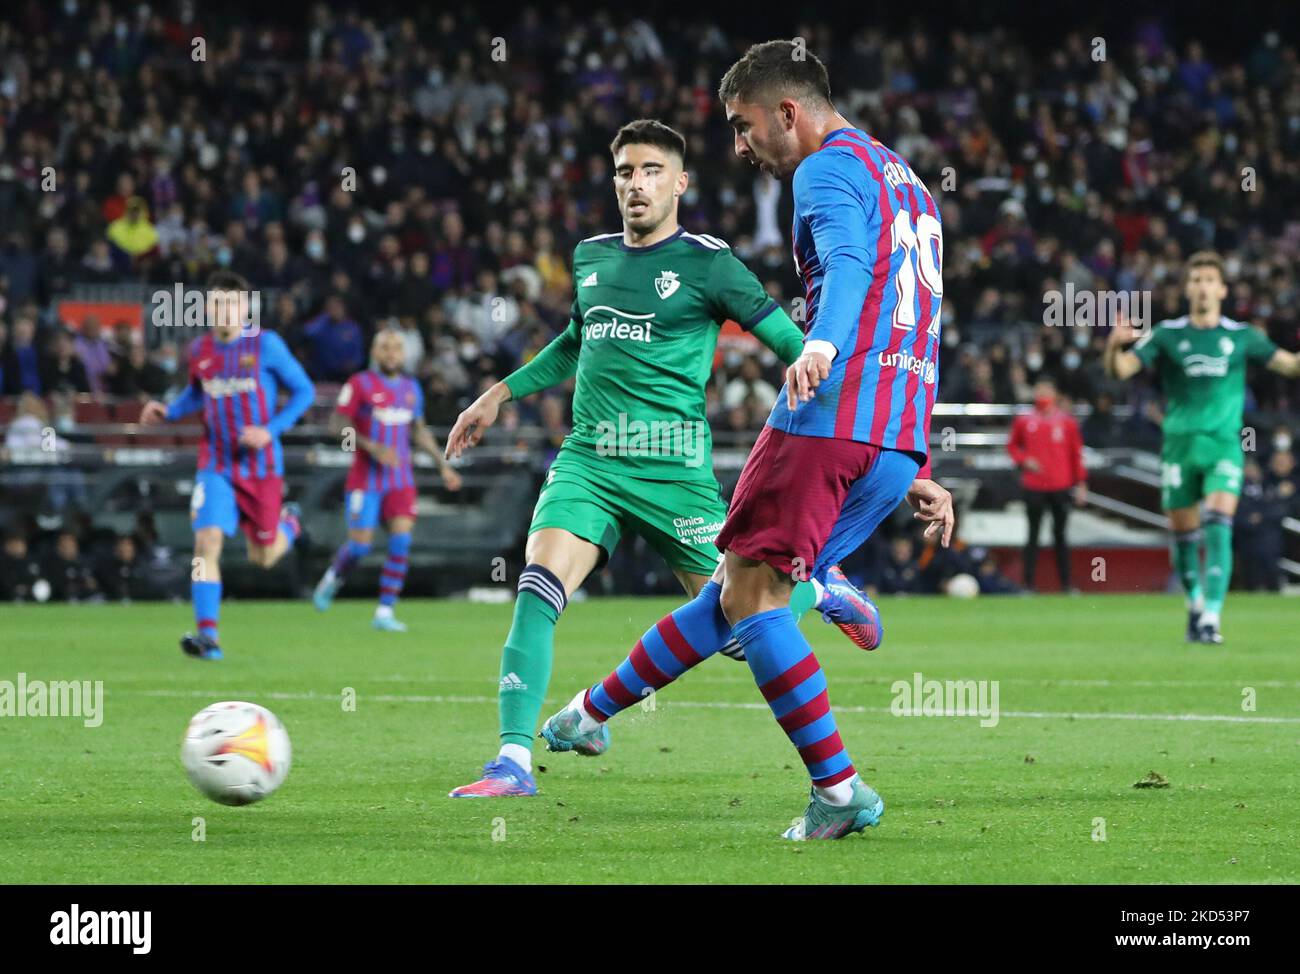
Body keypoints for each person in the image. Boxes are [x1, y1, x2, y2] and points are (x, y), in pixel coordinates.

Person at [542, 42, 954, 840]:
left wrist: (821, 348)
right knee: (737, 592)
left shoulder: (824, 170)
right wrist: (914, 461)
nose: (738, 146)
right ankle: (588, 714)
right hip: (891, 433)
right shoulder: (905, 179)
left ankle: (838, 789)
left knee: (757, 598)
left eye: (743, 125)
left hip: (825, 420)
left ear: (788, 113)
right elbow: (914, 313)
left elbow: (846, 271)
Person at [444, 118, 880, 799]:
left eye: (651, 171)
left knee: (741, 628)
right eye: (624, 172)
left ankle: (823, 589)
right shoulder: (589, 257)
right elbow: (574, 340)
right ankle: (511, 762)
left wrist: (852, 411)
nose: (636, 185)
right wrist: (498, 394)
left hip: (675, 470)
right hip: (590, 461)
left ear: (679, 183)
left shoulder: (710, 264)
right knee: (536, 588)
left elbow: (791, 343)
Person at [1105, 251, 1300, 644]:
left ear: (1223, 289)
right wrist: (1113, 345)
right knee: (1185, 535)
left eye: (1210, 279)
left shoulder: (1243, 336)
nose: (1203, 286)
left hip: (1224, 446)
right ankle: (1194, 604)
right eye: (1196, 279)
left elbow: (1292, 366)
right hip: (1178, 446)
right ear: (1187, 288)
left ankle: (1212, 615)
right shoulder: (1166, 334)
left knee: (1218, 522)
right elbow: (1121, 371)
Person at [140, 270, 315, 660]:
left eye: (231, 304)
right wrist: (168, 411)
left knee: (264, 557)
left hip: (262, 467)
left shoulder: (266, 345)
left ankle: (291, 523)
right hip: (215, 465)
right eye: (216, 304)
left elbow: (304, 391)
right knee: (207, 543)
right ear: (207, 308)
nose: (223, 311)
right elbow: (195, 395)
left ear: (244, 308)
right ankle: (208, 637)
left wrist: (271, 429)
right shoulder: (200, 351)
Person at [312, 329, 462, 630]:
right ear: (375, 352)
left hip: (401, 478)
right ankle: (333, 577)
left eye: (397, 348)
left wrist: (442, 465)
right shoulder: (359, 384)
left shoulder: (410, 387)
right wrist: (372, 447)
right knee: (359, 548)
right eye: (385, 347)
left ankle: (385, 611)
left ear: (404, 354)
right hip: (365, 479)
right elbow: (336, 426)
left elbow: (418, 430)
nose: (391, 353)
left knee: (401, 542)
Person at [1006, 379, 1087, 591]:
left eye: (1046, 389)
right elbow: (1012, 446)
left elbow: (1076, 454)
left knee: (1061, 535)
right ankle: (1028, 584)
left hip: (1061, 485)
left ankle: (1066, 584)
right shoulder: (1024, 421)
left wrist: (1081, 483)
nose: (1042, 393)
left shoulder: (1067, 422)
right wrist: (1024, 460)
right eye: (1039, 389)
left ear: (1054, 393)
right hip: (1034, 485)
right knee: (1033, 535)